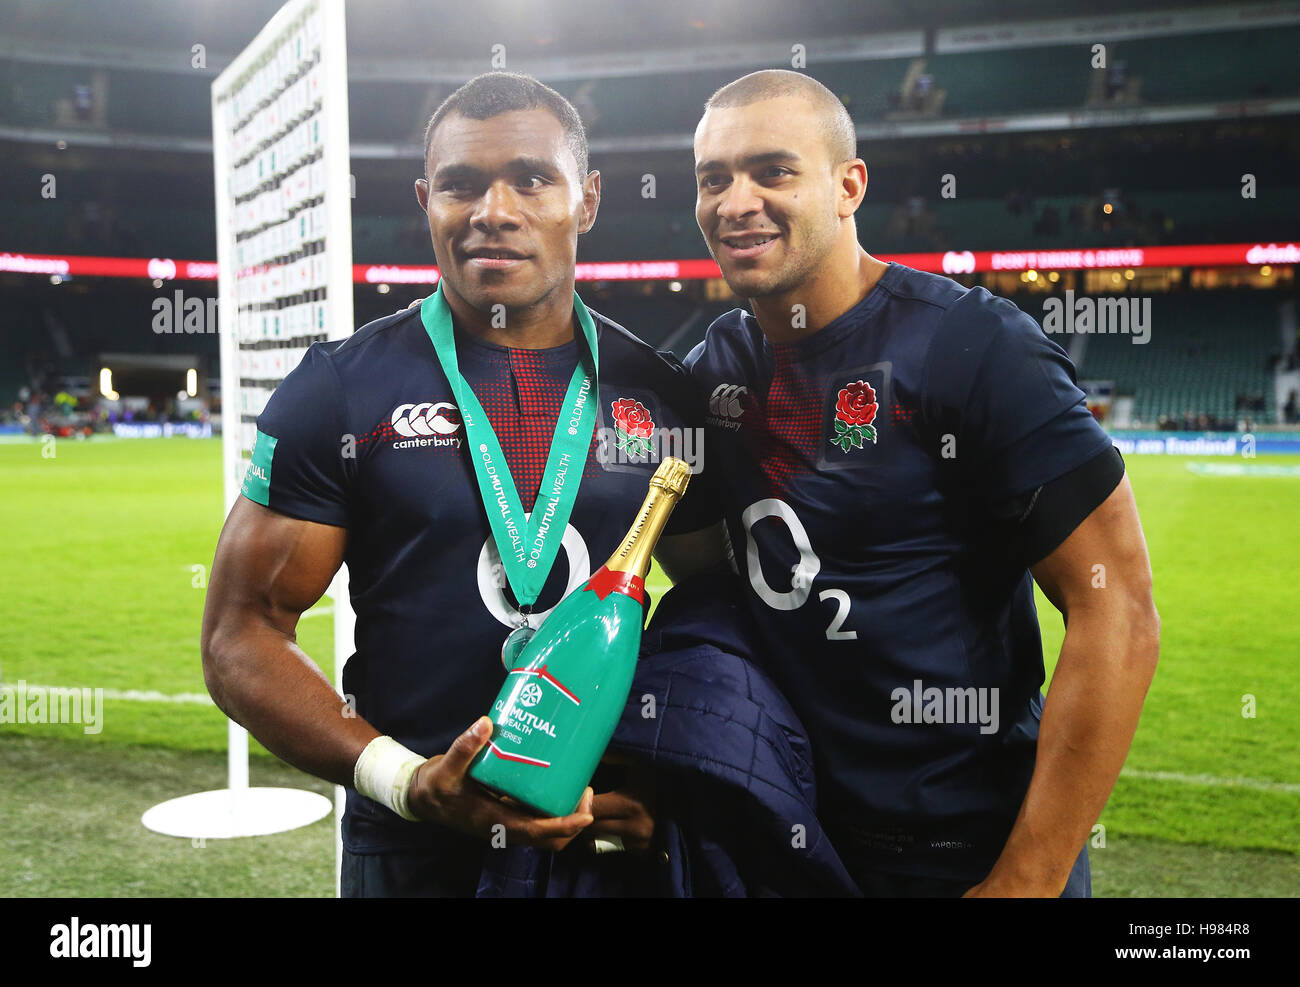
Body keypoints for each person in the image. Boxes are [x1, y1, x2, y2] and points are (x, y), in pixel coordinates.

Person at [201, 72, 724, 896]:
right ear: (425, 201)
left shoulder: (660, 396)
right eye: (460, 185)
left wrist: (676, 766)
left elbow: (716, 608)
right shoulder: (342, 390)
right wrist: (403, 780)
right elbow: (242, 632)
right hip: (411, 846)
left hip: (601, 836)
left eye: (530, 178)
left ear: (585, 200)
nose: (493, 210)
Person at [681, 70, 1160, 897]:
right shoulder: (714, 369)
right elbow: (696, 580)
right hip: (788, 836)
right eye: (713, 178)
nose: (736, 200)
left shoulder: (972, 345)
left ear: (849, 186)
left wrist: (1027, 879)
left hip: (966, 849)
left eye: (773, 171)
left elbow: (1115, 602)